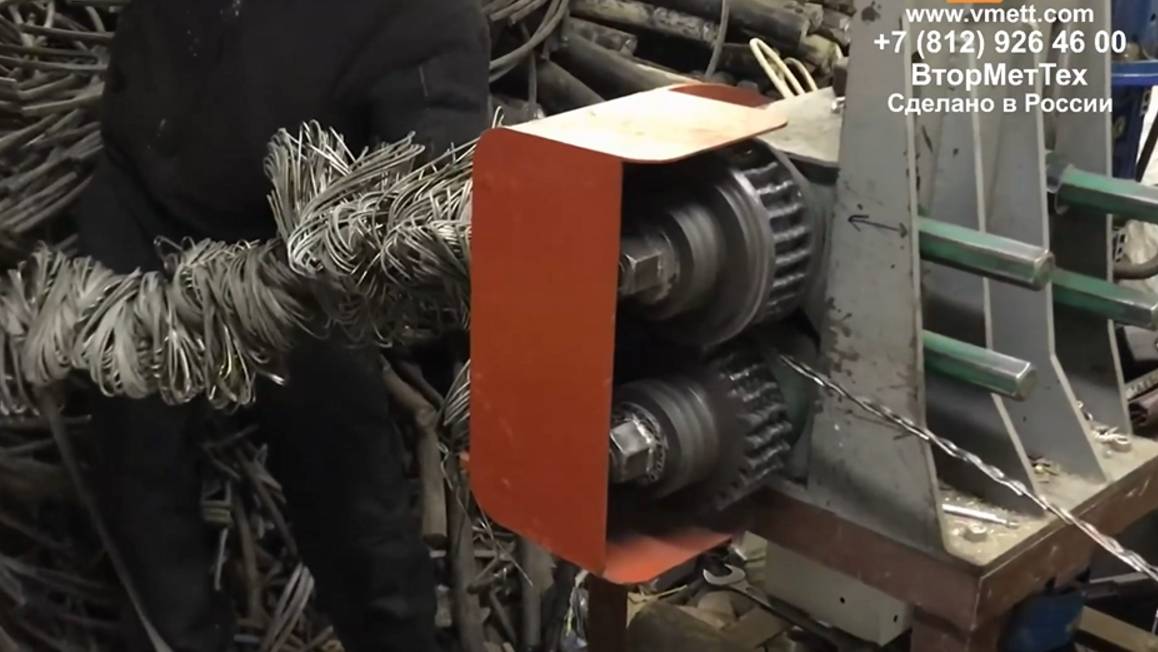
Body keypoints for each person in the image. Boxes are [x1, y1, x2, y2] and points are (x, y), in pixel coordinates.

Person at [71, 1, 490, 650]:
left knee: (351, 499)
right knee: (139, 473)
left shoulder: (425, 16)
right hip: (141, 204)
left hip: (295, 259)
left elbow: (429, 194)